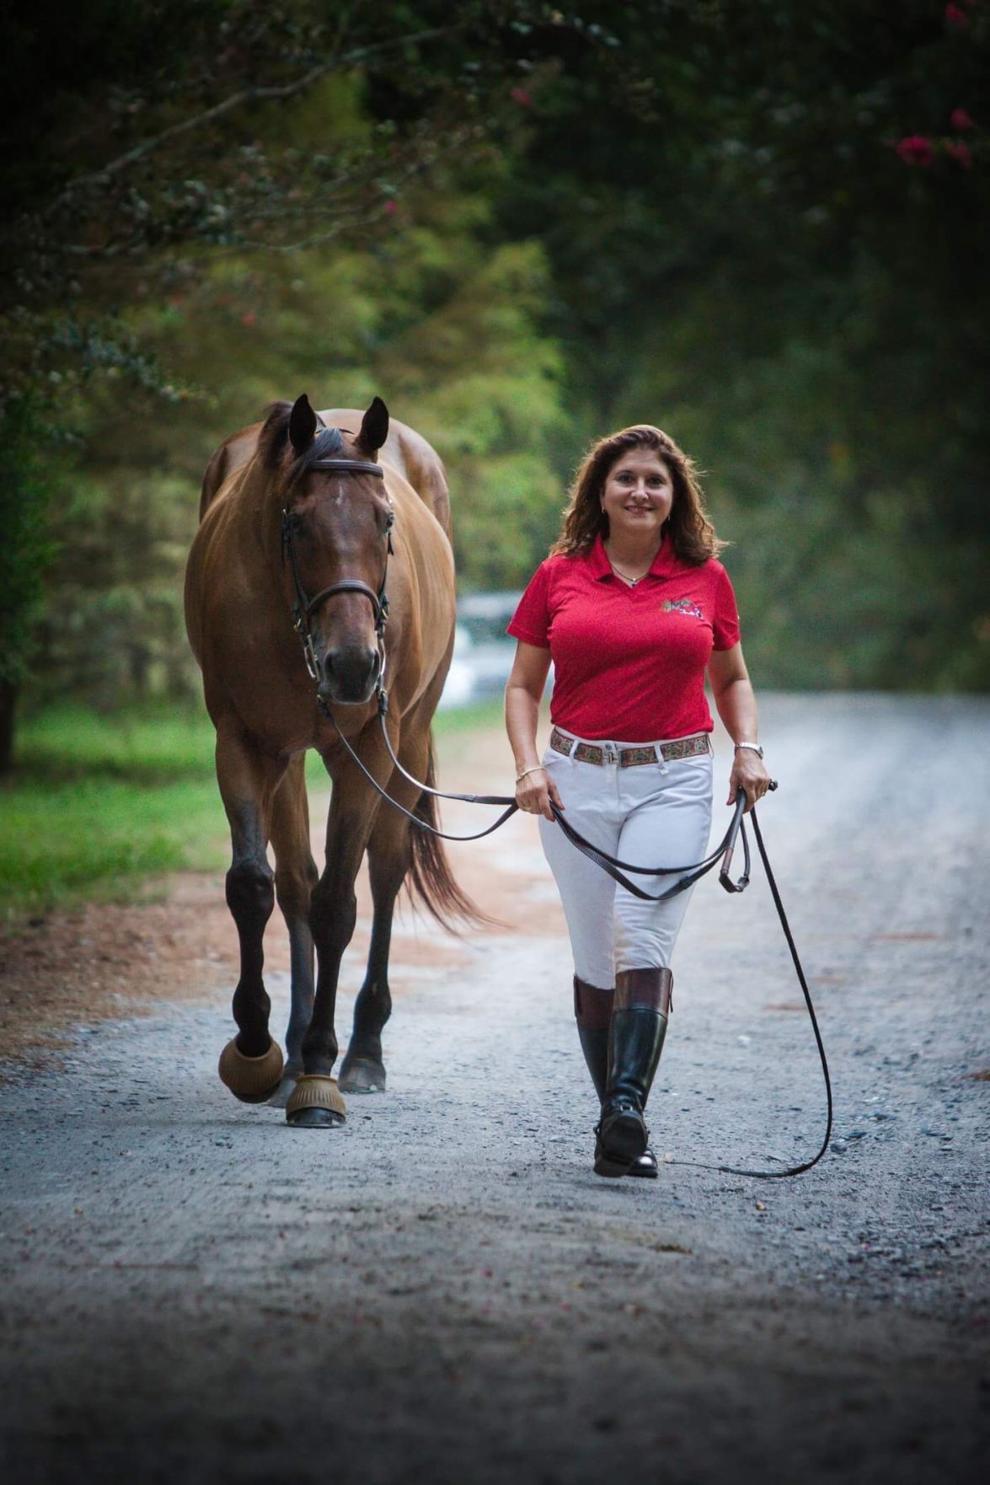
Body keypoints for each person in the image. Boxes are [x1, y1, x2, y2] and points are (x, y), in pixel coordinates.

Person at [504, 425, 771, 1179]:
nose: (641, 490)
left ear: (675, 494)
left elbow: (733, 680)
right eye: (626, 478)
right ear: (600, 491)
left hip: (675, 778)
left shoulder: (705, 579)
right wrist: (529, 766)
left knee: (643, 938)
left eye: (656, 479)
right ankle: (615, 1125)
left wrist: (747, 749)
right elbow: (524, 687)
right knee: (595, 958)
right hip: (575, 780)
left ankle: (626, 1106)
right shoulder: (558, 575)